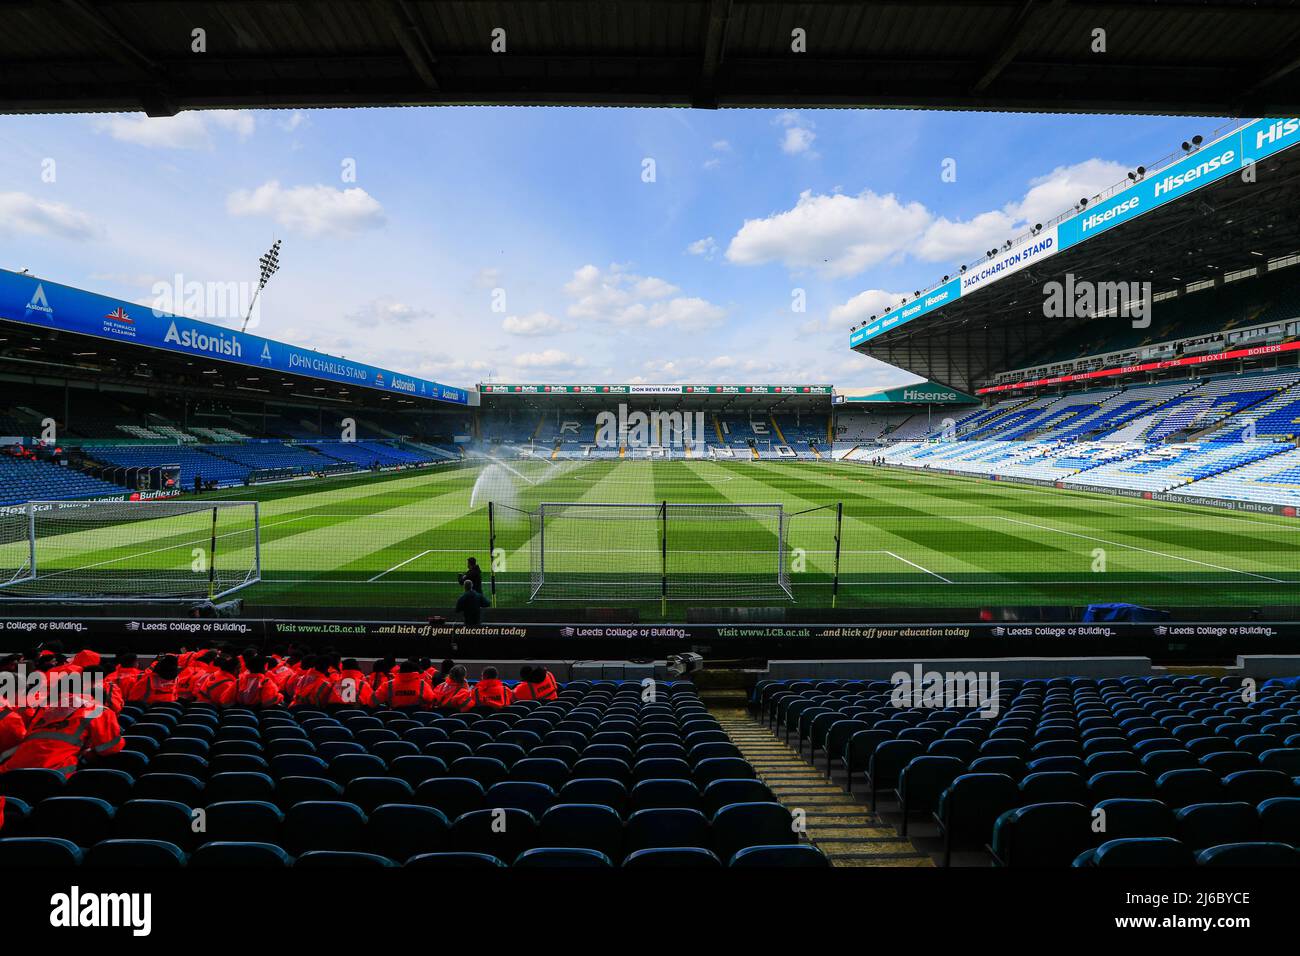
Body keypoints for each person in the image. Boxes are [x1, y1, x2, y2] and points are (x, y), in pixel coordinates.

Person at [0, 671, 124, 778]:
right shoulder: (98, 709)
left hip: (12, 773)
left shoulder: (42, 710)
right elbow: (110, 749)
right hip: (56, 774)